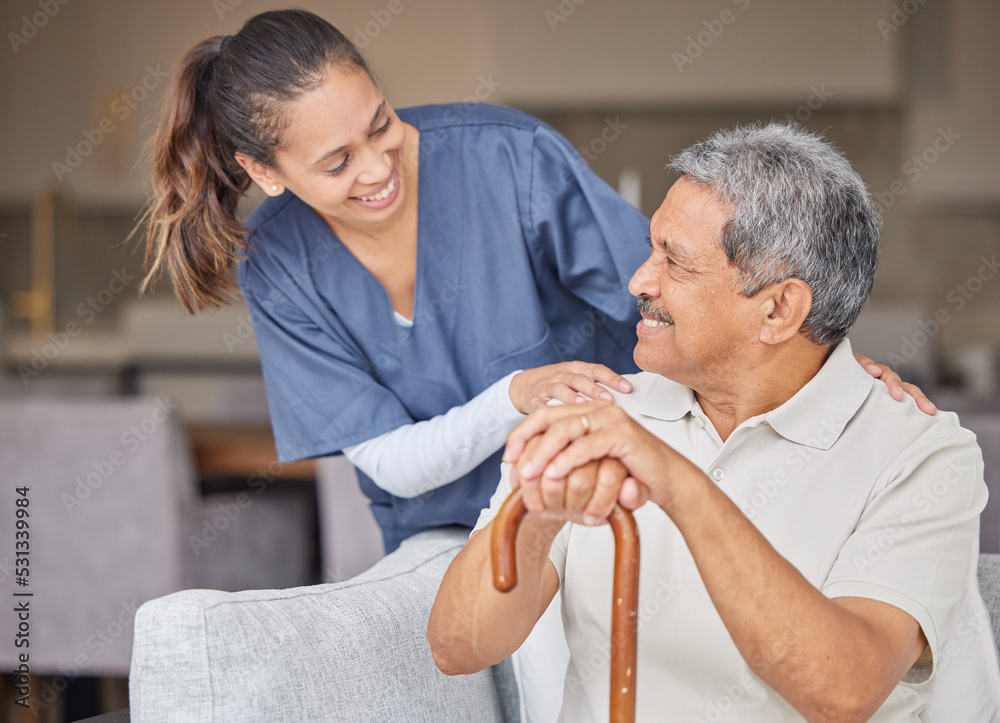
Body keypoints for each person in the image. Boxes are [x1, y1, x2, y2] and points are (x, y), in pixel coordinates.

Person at [139, 9, 928, 555]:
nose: (381, 168)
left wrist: (832, 374)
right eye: (337, 162)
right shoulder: (278, 264)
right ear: (263, 172)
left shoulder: (506, 160)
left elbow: (687, 298)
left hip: (617, 490)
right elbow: (389, 464)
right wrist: (515, 393)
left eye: (381, 124)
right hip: (444, 536)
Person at [428, 124, 991, 720]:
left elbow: (845, 691)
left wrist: (677, 482)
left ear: (778, 309)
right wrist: (536, 521)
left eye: (676, 263)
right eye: (651, 248)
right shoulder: (591, 416)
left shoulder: (922, 455)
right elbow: (456, 648)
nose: (639, 281)